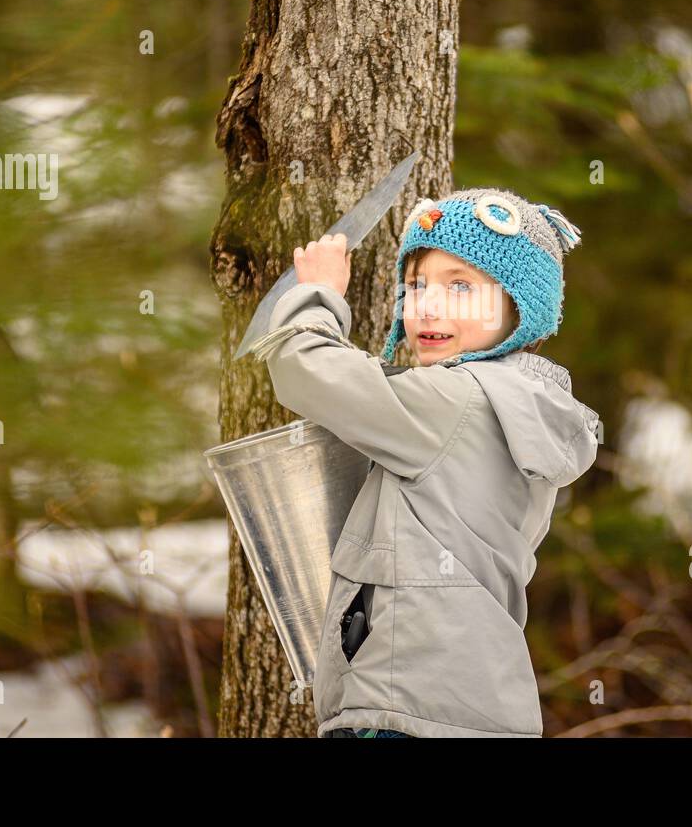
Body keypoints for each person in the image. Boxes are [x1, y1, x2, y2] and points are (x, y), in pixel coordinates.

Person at [247, 186, 600, 737]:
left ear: (520, 306)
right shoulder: (524, 408)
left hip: (405, 711)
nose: (428, 305)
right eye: (415, 286)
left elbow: (302, 366)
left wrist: (317, 295)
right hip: (475, 712)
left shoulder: (454, 403)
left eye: (461, 286)